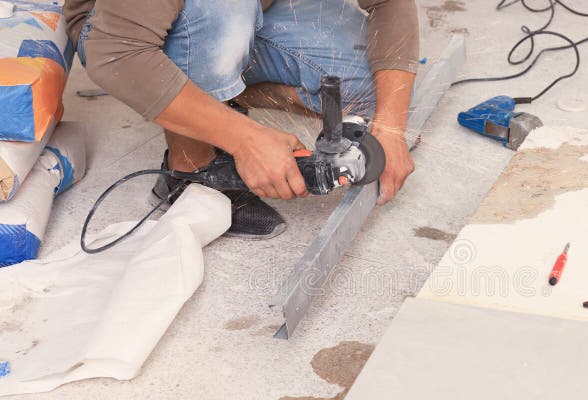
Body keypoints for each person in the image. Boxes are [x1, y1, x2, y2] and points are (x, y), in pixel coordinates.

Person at [63, 0, 419, 238]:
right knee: (223, 12)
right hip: (132, 34)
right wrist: (246, 139)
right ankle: (190, 169)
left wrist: (391, 127)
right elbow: (117, 53)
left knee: (368, 86)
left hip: (257, 10)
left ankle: (215, 91)